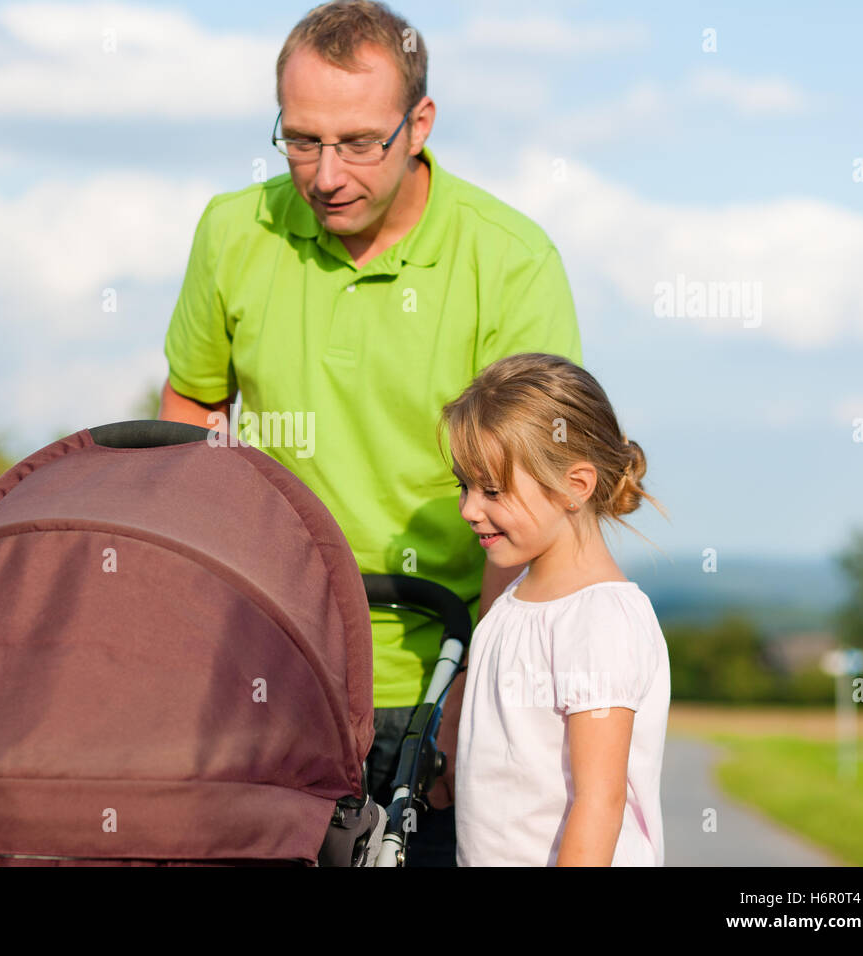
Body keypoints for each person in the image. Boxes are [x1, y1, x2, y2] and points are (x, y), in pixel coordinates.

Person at [158, 0, 581, 865]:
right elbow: (193, 406)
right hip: (272, 670)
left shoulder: (510, 262)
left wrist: (478, 694)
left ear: (418, 124)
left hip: (445, 665)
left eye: (358, 143)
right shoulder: (233, 231)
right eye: (302, 139)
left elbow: (534, 497)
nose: (325, 174)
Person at [438, 352, 671, 865]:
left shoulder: (600, 620)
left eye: (492, 490)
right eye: (464, 485)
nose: (469, 509)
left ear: (575, 486)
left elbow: (600, 803)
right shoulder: (510, 604)